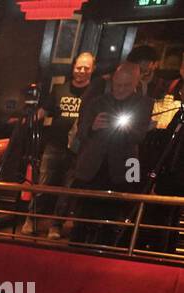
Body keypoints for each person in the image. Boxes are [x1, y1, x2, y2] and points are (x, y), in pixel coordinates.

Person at [70, 63, 154, 245]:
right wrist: (93, 127)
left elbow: (138, 136)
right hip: (92, 165)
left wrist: (122, 126)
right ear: (113, 81)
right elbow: (81, 133)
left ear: (135, 84)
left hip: (126, 165)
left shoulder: (144, 103)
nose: (121, 89)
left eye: (126, 85)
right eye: (118, 85)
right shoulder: (97, 102)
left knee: (116, 218)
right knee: (83, 218)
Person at [30, 51, 98, 238]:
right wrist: (26, 121)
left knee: (67, 190)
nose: (82, 71)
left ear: (92, 70)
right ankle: (32, 218)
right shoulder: (60, 89)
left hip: (78, 149)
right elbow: (43, 111)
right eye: (79, 67)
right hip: (54, 144)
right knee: (43, 185)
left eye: (86, 68)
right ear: (73, 67)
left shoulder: (94, 94)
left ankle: (56, 225)